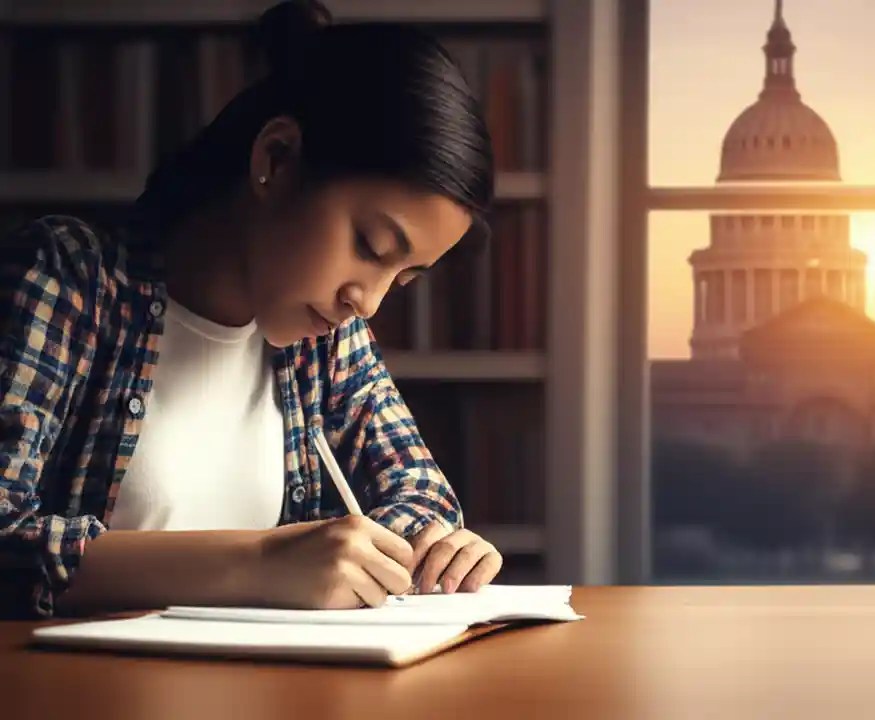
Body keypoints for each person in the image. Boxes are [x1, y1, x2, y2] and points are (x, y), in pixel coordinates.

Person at [0, 0, 504, 618]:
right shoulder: (73, 280)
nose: (367, 301)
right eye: (370, 248)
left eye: (402, 279)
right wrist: (263, 562)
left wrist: (434, 548)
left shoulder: (329, 342)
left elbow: (419, 494)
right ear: (276, 159)